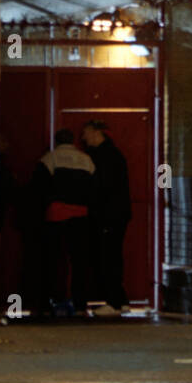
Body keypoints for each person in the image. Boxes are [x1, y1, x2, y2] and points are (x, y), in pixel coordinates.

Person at [29, 128, 95, 316]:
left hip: (56, 216)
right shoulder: (86, 160)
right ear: (73, 141)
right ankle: (80, 304)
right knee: (79, 262)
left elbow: (38, 189)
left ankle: (50, 302)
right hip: (81, 216)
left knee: (52, 260)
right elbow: (94, 189)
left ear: (56, 142)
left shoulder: (50, 159)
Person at [82, 120, 132, 312]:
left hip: (108, 215)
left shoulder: (103, 157)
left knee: (107, 257)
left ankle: (113, 301)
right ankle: (120, 300)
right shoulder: (113, 154)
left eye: (86, 133)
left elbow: (101, 187)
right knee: (112, 256)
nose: (83, 138)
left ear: (96, 133)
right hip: (116, 214)